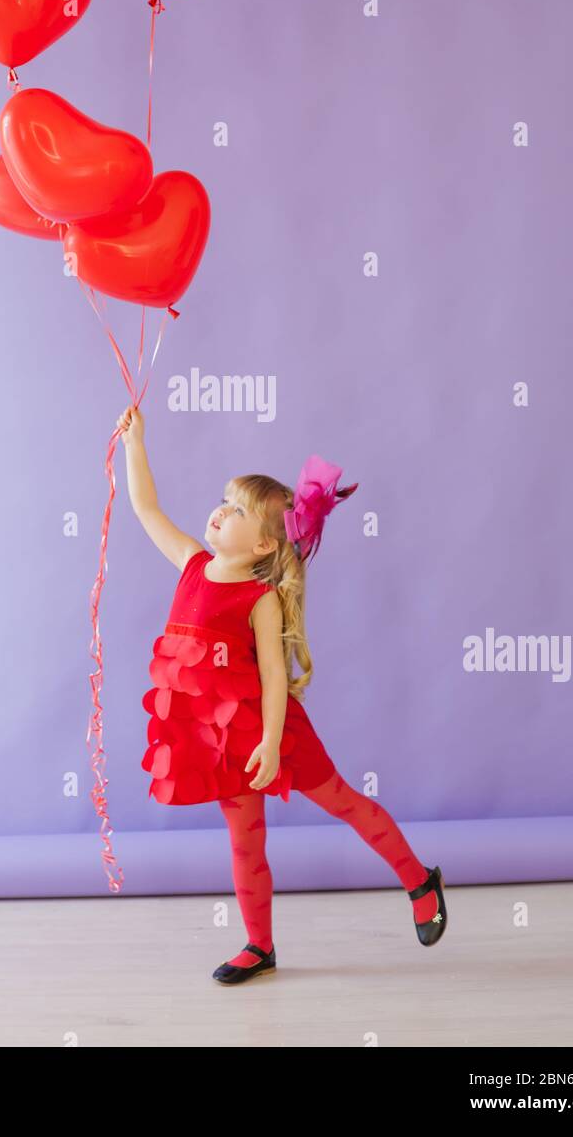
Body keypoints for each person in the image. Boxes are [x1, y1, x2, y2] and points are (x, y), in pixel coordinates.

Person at [117, 403, 447, 985]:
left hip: (273, 735)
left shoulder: (259, 600)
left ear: (265, 546)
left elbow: (274, 678)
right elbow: (145, 507)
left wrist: (271, 743)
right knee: (245, 843)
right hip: (224, 740)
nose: (221, 510)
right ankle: (259, 946)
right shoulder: (192, 564)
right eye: (226, 498)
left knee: (344, 801)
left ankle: (420, 879)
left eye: (239, 509)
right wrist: (134, 443)